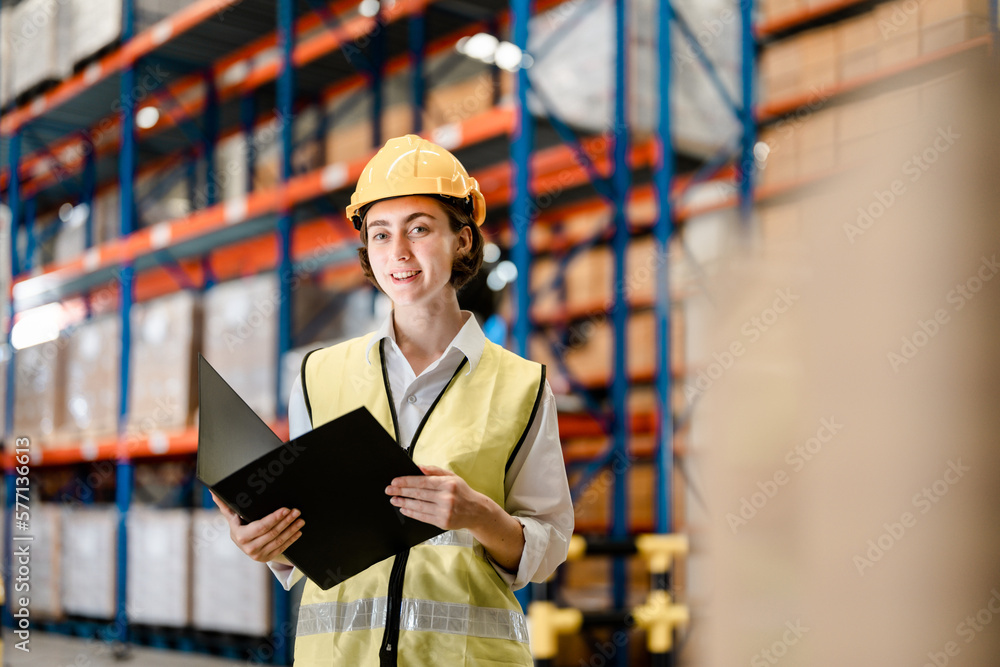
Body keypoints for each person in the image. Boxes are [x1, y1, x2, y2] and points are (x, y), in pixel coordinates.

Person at [211, 134, 573, 666]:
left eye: (419, 229)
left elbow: (548, 550)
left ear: (463, 242)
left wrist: (478, 515)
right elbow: (313, 536)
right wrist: (265, 538)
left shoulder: (522, 385)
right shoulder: (318, 374)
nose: (398, 253)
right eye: (380, 235)